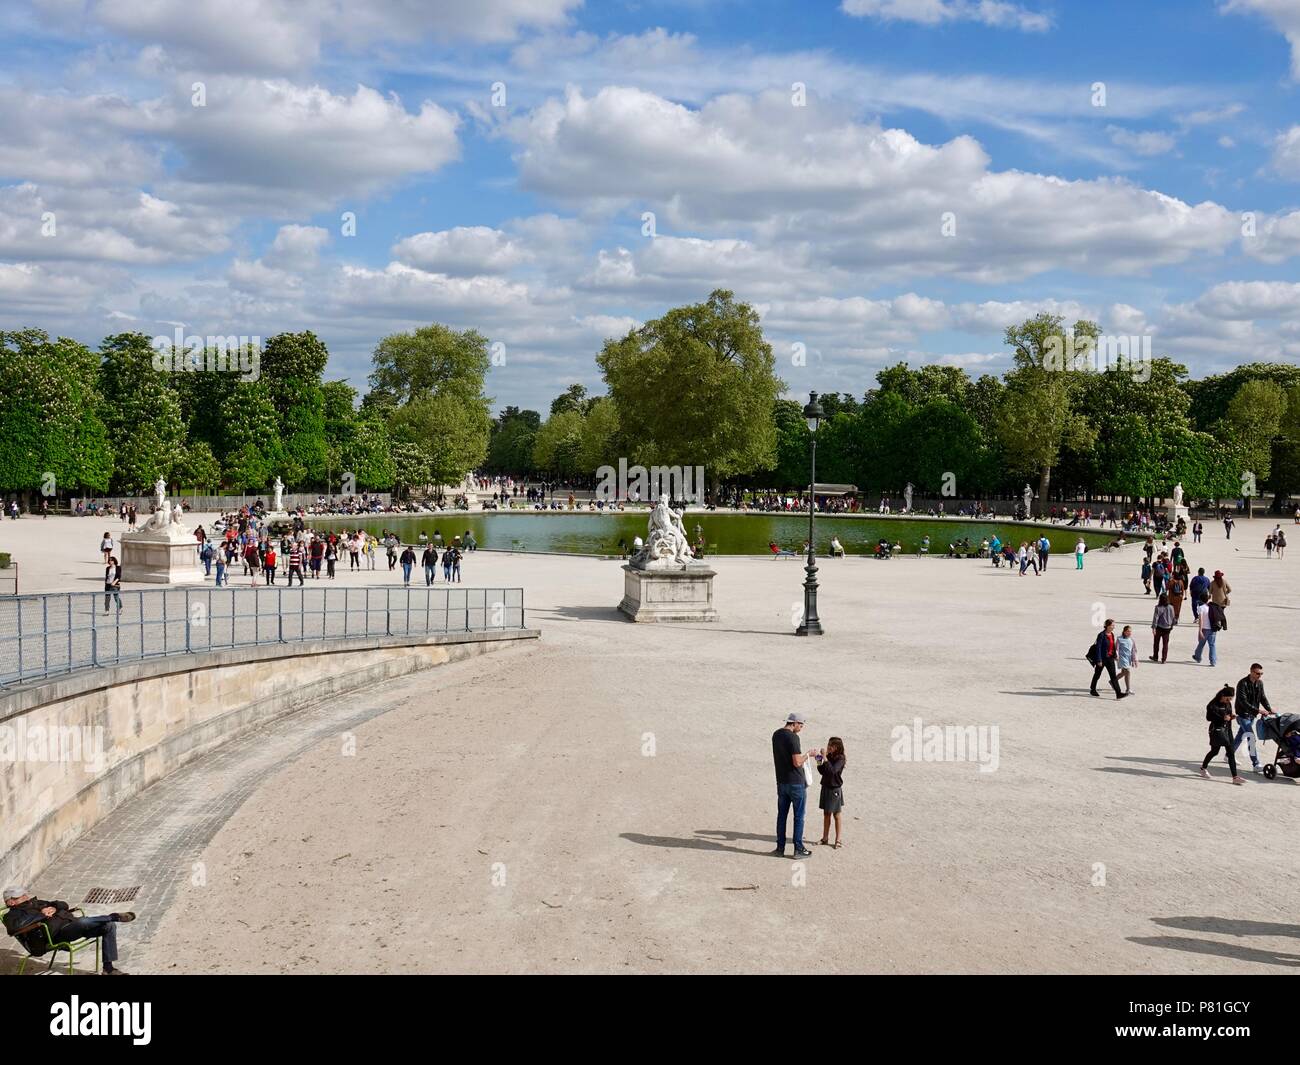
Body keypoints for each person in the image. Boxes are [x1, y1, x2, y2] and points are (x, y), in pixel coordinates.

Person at [2, 886, 136, 975]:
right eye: (20, 896)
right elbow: (15, 928)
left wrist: (53, 907)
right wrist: (42, 915)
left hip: (72, 926)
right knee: (85, 921)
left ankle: (108, 969)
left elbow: (64, 905)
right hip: (55, 935)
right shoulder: (12, 916)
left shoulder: (37, 902)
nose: (26, 896)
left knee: (109, 926)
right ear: (11, 902)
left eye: (24, 894)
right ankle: (112, 916)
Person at [771, 713, 817, 858]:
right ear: (795, 723)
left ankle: (780, 848)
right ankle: (798, 848)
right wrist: (808, 754)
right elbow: (797, 762)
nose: (801, 728)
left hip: (781, 781)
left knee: (782, 816)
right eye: (801, 725)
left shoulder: (776, 735)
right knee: (799, 817)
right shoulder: (793, 737)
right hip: (796, 783)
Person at [1233, 663, 1274, 774]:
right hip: (1243, 715)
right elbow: (1243, 701)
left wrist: (1269, 709)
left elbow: (1262, 697)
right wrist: (1258, 710)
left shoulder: (1259, 683)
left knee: (1241, 735)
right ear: (1251, 671)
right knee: (1251, 737)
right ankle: (1256, 764)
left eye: (1261, 673)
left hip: (1252, 715)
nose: (1259, 676)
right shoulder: (1242, 683)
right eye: (1257, 673)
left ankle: (1229, 754)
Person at [1199, 685, 1245, 785]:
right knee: (1214, 751)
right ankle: (1203, 768)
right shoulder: (1212, 704)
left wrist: (1231, 717)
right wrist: (1222, 718)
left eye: (1231, 699)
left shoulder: (1228, 704)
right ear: (1223, 695)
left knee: (1231, 753)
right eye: (1228, 698)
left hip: (1227, 730)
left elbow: (1228, 715)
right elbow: (1209, 718)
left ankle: (1235, 777)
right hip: (1216, 730)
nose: (1229, 701)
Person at [815, 737, 846, 848]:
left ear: (836, 747)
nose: (828, 748)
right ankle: (825, 838)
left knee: (836, 814)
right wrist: (818, 758)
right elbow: (822, 771)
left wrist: (824, 758)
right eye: (828, 745)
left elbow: (833, 771)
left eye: (830, 746)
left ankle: (838, 839)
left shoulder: (841, 758)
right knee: (826, 814)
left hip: (834, 789)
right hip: (826, 787)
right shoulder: (829, 756)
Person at [1089, 619, 1127, 699]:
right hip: (1102, 659)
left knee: (1113, 676)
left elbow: (1112, 646)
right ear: (1108, 626)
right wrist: (1099, 660)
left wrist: (1115, 655)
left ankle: (1118, 693)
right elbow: (1098, 648)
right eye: (1112, 625)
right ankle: (1092, 689)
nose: (1114, 627)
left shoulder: (1112, 634)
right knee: (1097, 674)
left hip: (1110, 659)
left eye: (1114, 625)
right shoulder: (1101, 635)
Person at [1192, 597, 1219, 666]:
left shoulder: (1201, 608)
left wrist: (1200, 630)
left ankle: (1198, 657)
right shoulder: (1211, 607)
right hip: (1213, 629)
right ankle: (1213, 661)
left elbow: (1201, 620)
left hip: (1205, 629)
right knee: (1212, 645)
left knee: (1201, 644)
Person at [1149, 593, 1174, 663]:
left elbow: (1155, 618)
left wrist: (1153, 628)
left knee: (1156, 642)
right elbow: (1173, 617)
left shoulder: (1158, 607)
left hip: (1159, 627)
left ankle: (1155, 656)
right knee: (1165, 644)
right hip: (1167, 628)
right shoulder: (1171, 607)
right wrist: (1171, 626)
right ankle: (1164, 659)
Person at [1116, 625, 1137, 694]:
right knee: (1127, 671)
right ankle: (1128, 689)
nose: (1129, 633)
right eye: (1128, 631)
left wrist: (1135, 660)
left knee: (1123, 673)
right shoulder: (1119, 639)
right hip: (1122, 658)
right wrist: (1117, 656)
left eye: (1130, 631)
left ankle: (1113, 681)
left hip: (1128, 659)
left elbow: (1134, 651)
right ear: (1124, 632)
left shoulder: (1132, 640)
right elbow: (1116, 649)